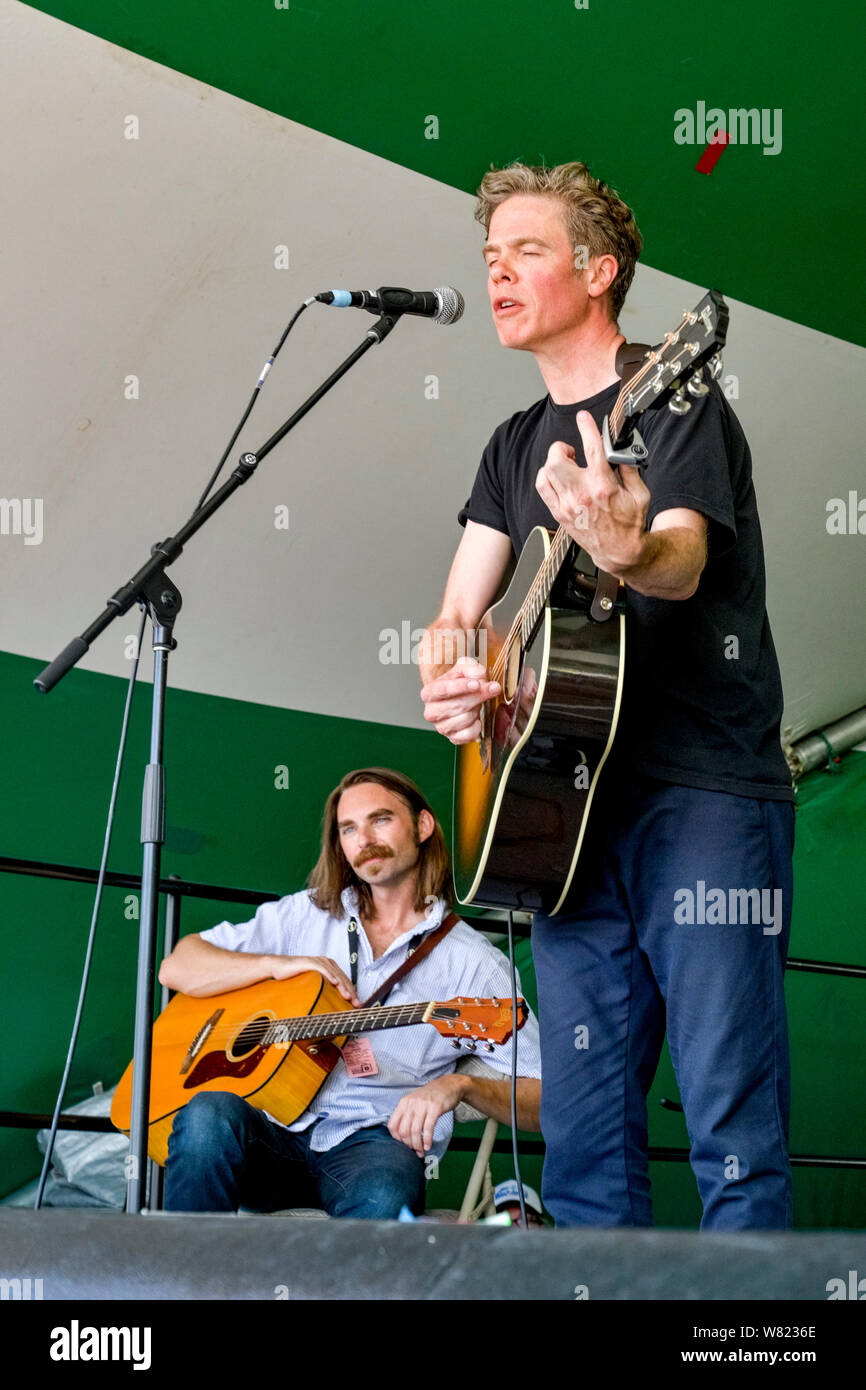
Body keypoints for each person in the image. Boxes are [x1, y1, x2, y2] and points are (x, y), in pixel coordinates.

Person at [419, 161, 795, 1231]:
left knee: (729, 1120)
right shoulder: (507, 445)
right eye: (488, 257)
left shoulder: (673, 398)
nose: (496, 273)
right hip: (556, 814)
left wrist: (627, 542)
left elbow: (678, 559)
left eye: (525, 251)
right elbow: (457, 609)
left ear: (599, 272)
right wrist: (456, 678)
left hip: (703, 793)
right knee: (583, 1138)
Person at [159, 767, 542, 1218]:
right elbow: (178, 964)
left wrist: (459, 1085)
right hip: (271, 1131)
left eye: (380, 819)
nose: (364, 839)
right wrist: (283, 964)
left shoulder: (473, 963)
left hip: (372, 1141)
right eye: (348, 828)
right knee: (206, 1117)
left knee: (383, 1195)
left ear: (422, 826)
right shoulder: (307, 915)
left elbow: (544, 1100)